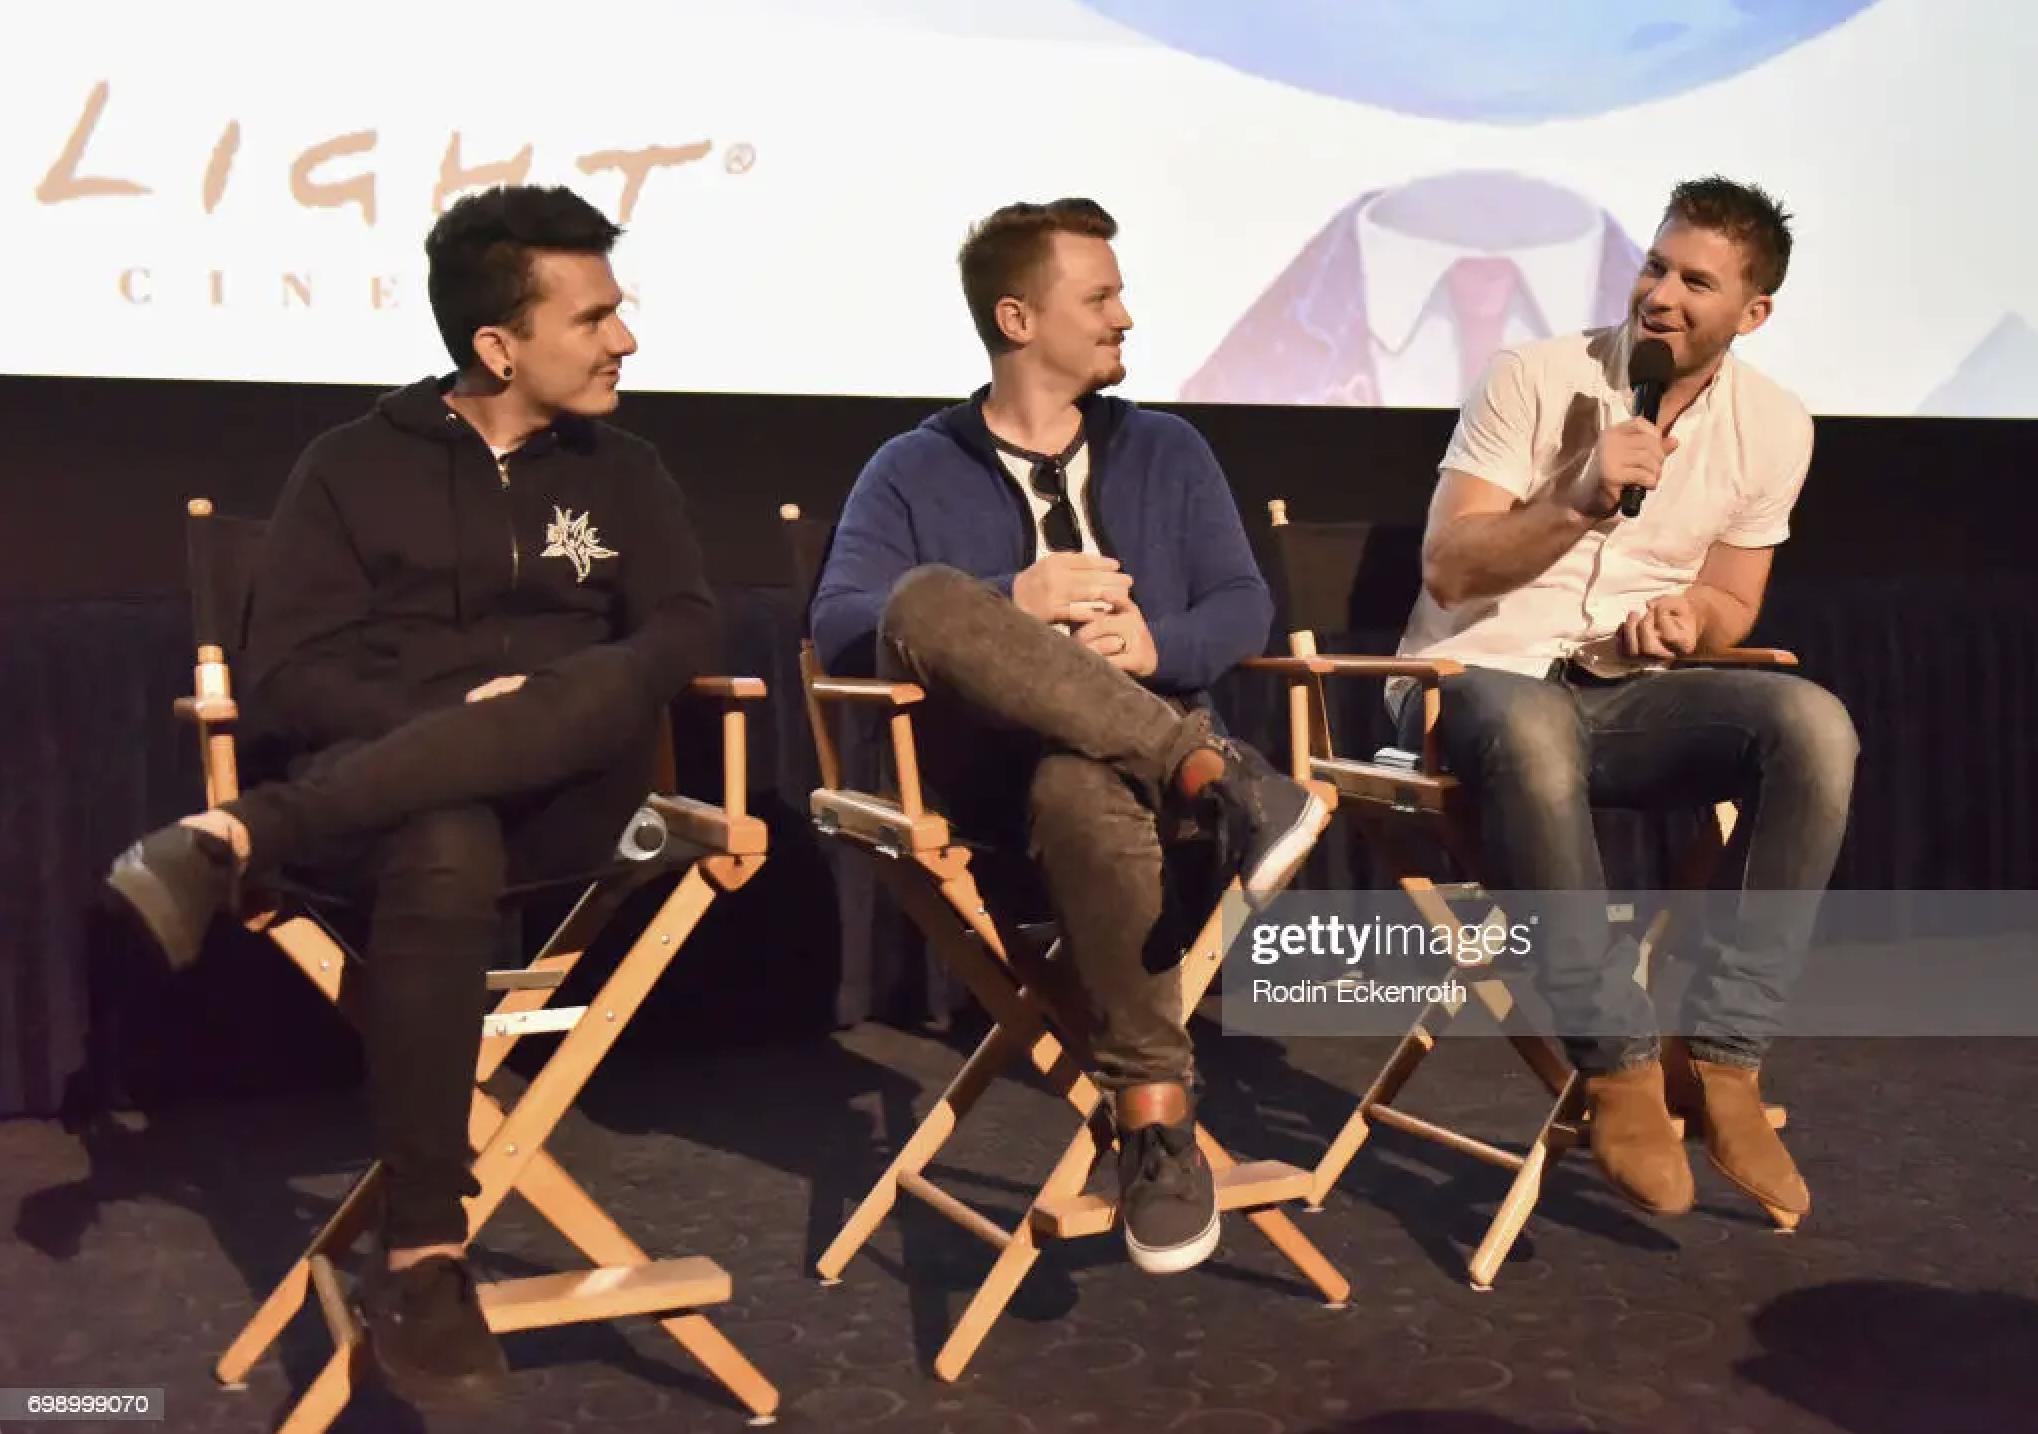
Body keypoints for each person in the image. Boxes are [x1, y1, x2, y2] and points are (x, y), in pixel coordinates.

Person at [106, 184, 716, 1403]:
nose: (625, 340)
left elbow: (684, 624)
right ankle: (429, 1252)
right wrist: (447, 733)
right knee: (442, 827)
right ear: (498, 346)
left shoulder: (627, 468)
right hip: (397, 822)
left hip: (569, 803)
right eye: (594, 317)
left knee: (590, 691)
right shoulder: (346, 467)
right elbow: (288, 677)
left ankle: (237, 837)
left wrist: (547, 709)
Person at [812, 197, 1327, 1276]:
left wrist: (1152, 644)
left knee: (1082, 780)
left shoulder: (1169, 449)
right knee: (929, 606)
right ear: (1016, 318)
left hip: (1153, 816)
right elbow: (841, 625)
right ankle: (1223, 778)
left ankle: (1153, 1124)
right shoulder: (910, 466)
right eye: (1098, 298)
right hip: (1001, 798)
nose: (1124, 317)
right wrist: (1013, 601)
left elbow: (1243, 603)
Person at [1396, 176, 1858, 1219]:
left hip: (1622, 693)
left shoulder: (1775, 427)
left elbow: (1733, 596)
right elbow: (1448, 572)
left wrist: (1691, 622)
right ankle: (1617, 1064)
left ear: (1752, 313)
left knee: (1813, 729)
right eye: (1654, 265)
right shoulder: (1534, 376)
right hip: (1474, 683)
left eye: (1696, 281)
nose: (1660, 294)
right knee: (1529, 725)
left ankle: (1726, 1059)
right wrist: (1576, 493)